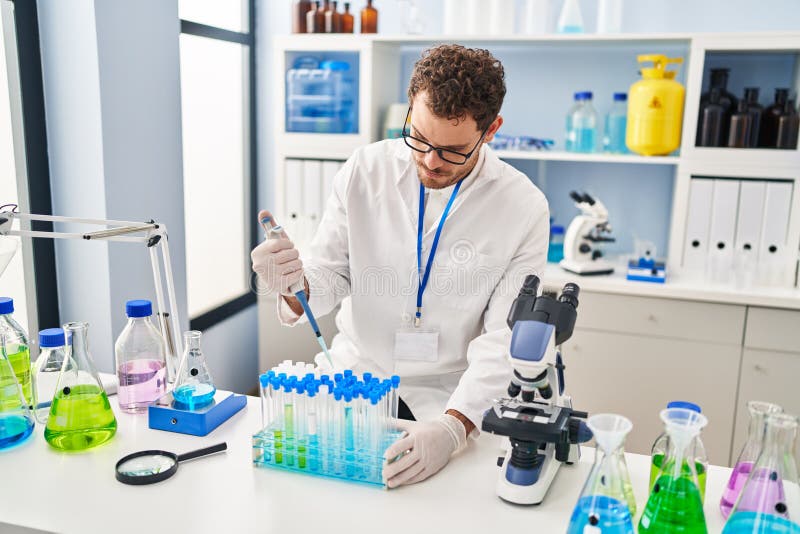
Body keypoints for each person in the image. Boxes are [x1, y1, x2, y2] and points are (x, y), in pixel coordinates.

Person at [251, 44, 549, 488]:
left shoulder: (522, 206)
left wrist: (451, 429)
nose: (430, 162)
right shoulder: (363, 171)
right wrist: (294, 286)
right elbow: (330, 274)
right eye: (420, 139)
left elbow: (503, 340)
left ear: (491, 130)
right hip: (354, 382)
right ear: (410, 109)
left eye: (452, 151)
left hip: (450, 398)